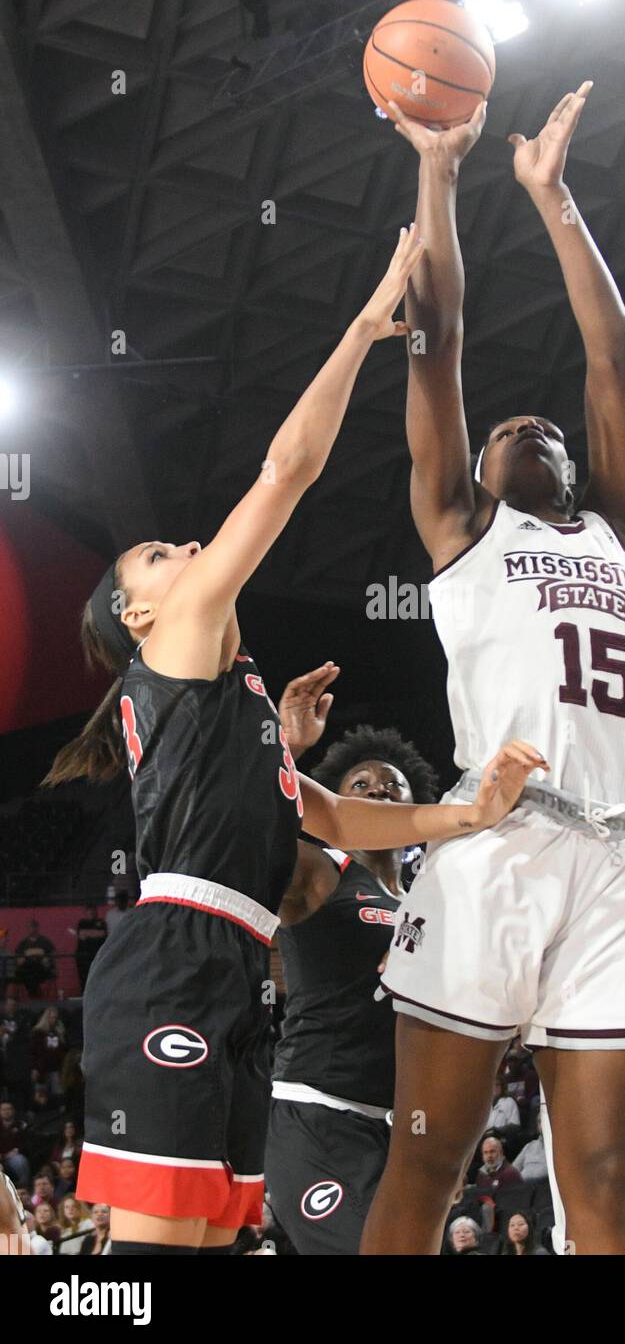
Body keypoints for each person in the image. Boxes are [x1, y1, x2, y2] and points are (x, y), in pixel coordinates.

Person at [43, 225, 541, 1256]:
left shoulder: (233, 694)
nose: (185, 547)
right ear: (137, 616)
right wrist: (362, 329)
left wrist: (465, 811)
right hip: (173, 955)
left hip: (233, 965)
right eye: (155, 554)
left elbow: (327, 814)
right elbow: (286, 471)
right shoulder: (176, 640)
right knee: (140, 1264)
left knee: (204, 1248)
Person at [363, 82, 625, 1260]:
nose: (531, 428)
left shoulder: (616, 535)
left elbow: (618, 355)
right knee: (429, 1161)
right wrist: (440, 171)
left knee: (604, 1176)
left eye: (548, 432)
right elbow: (433, 342)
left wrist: (553, 197)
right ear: (476, 473)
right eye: (506, 432)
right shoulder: (461, 531)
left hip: (620, 856)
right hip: (495, 849)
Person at [265, 712, 440, 1256]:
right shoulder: (319, 870)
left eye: (394, 786)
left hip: (397, 1131)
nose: (379, 791)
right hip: (315, 1111)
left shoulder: (433, 896)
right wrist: (281, 750)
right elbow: (251, 825)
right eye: (359, 785)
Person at [13, 920, 55, 999]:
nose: (32, 929)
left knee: (32, 971)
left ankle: (33, 994)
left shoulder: (45, 941)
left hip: (41, 970)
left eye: (33, 927)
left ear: (37, 928)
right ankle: (36, 994)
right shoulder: (23, 943)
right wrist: (21, 960)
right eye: (30, 927)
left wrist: (48, 959)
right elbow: (18, 959)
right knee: (28, 971)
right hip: (27, 970)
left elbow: (53, 954)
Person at [72, 905, 107, 990]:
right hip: (83, 954)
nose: (91, 913)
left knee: (97, 974)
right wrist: (94, 933)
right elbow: (81, 934)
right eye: (89, 912)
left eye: (93, 911)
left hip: (97, 953)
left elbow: (102, 934)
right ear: (86, 913)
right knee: (84, 975)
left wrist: (88, 933)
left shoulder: (101, 922)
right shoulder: (82, 923)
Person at [513, 1112, 549, 1181]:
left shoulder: (558, 1148)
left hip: (543, 1187)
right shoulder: (529, 1146)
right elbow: (514, 1169)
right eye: (539, 1121)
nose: (542, 1125)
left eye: (544, 1121)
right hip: (523, 1187)